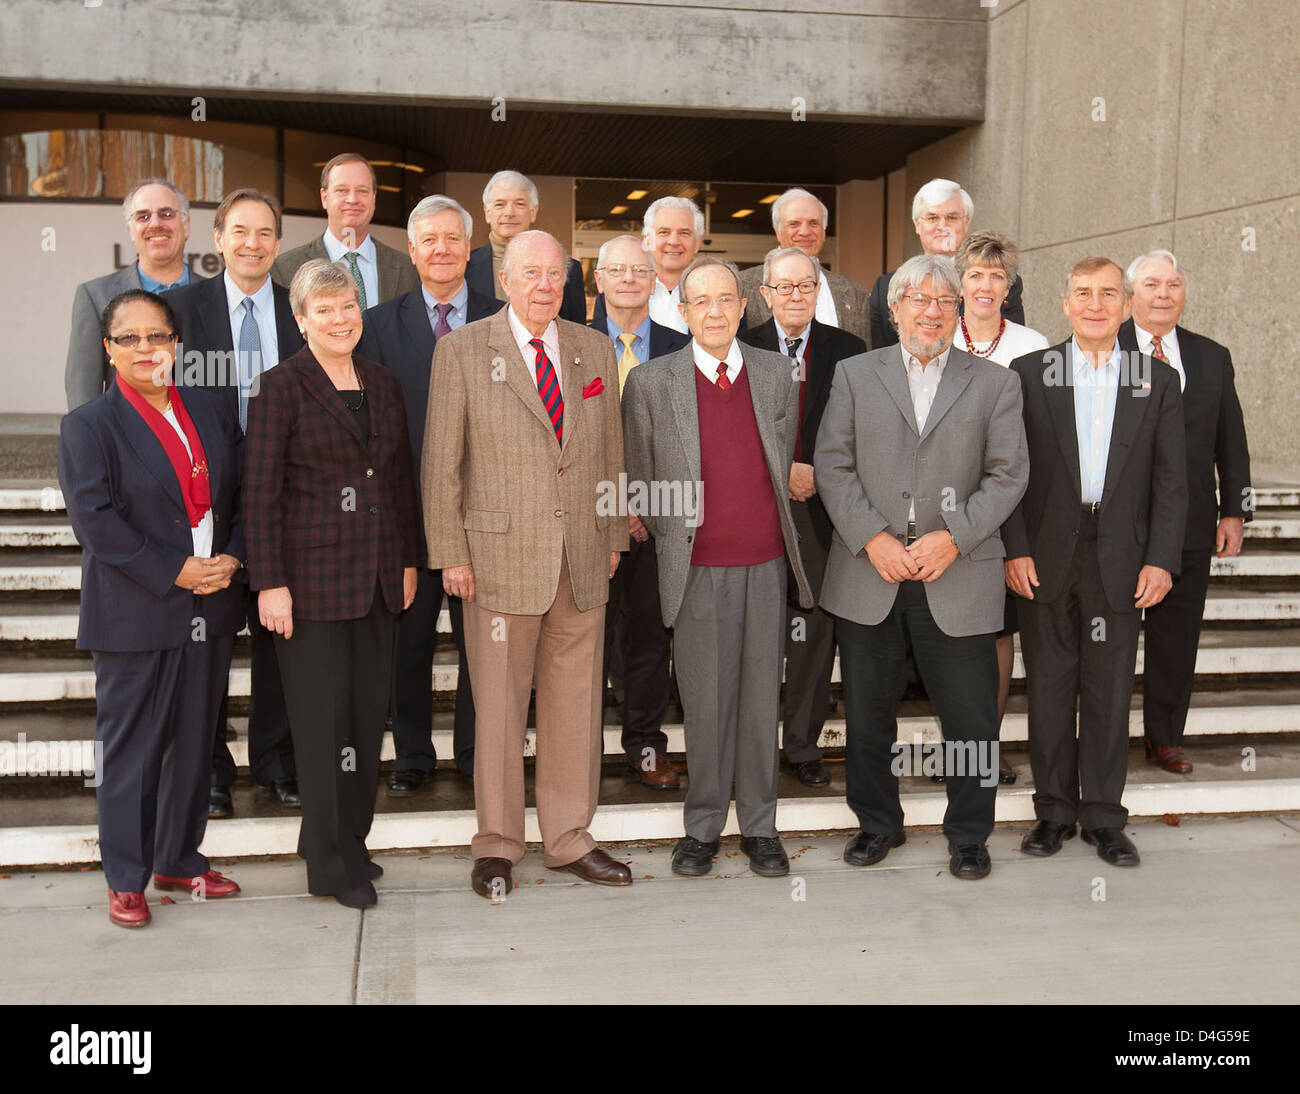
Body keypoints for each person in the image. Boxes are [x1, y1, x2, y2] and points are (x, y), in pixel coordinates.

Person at [424, 230, 631, 899]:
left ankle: (570, 837)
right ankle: (498, 844)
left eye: (556, 274)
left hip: (582, 559)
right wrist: (450, 553)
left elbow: (608, 452)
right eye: (531, 273)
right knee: (501, 711)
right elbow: (441, 465)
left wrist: (614, 536)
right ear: (505, 279)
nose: (545, 285)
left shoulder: (592, 348)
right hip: (496, 559)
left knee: (575, 707)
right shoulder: (460, 351)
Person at [816, 254, 1028, 880]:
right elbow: (832, 464)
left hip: (955, 573)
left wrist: (953, 539)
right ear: (895, 308)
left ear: (959, 309)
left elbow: (1008, 474)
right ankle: (878, 825)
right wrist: (872, 538)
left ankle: (969, 834)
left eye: (944, 301)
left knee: (970, 719)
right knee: (867, 714)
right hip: (869, 571)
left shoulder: (996, 383)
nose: (931, 311)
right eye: (919, 300)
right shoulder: (855, 374)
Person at [623, 256, 813, 880]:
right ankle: (702, 826)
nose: (713, 311)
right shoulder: (652, 382)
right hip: (696, 566)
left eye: (725, 300)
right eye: (700, 301)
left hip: (765, 562)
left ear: (743, 307)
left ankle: (760, 827)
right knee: (705, 701)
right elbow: (640, 479)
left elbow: (784, 464)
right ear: (682, 310)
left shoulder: (777, 372)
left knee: (761, 700)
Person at [58, 289, 245, 927]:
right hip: (136, 612)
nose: (146, 349)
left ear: (176, 344)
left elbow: (245, 493)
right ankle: (127, 875)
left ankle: (178, 858)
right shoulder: (88, 426)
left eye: (157, 336)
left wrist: (231, 560)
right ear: (108, 350)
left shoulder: (213, 412)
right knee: (132, 751)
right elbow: (97, 524)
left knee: (194, 743)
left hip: (210, 606)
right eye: (130, 339)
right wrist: (176, 569)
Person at [245, 259, 420, 909]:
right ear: (301, 322)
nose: (340, 319)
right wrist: (269, 583)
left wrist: (406, 560)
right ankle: (327, 864)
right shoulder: (278, 389)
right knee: (321, 728)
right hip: (310, 585)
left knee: (364, 721)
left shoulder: (383, 382)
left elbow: (397, 481)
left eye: (347, 306)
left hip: (377, 578)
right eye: (324, 310)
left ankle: (350, 837)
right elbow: (259, 494)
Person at [1005, 257, 1186, 868]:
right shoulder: (1029, 373)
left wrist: (1161, 558)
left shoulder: (1156, 380)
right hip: (1048, 552)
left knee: (1109, 690)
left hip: (1122, 556)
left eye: (1109, 293)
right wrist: (1016, 547)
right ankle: (1054, 812)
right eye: (1083, 293)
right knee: (1051, 687)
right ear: (1065, 302)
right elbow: (1008, 473)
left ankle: (1106, 818)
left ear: (1128, 303)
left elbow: (1172, 483)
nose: (1096, 304)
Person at [356, 195, 503, 792]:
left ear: (469, 249)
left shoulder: (505, 316)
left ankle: (475, 753)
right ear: (411, 251)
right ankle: (413, 755)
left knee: (482, 647)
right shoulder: (376, 324)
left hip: (491, 515)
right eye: (428, 240)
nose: (441, 249)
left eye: (452, 239)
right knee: (408, 645)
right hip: (407, 514)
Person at [167, 187, 302, 816]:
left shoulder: (299, 309)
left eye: (265, 233)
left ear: (279, 243)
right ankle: (212, 770)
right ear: (217, 240)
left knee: (280, 640)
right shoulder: (177, 311)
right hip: (206, 502)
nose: (253, 244)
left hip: (287, 497)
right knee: (210, 641)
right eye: (239, 232)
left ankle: (276, 763)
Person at [1119, 250, 1252, 774]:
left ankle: (1165, 737)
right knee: (1110, 635)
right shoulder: (1105, 350)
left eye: (1173, 284)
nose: (1164, 293)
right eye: (1152, 284)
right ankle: (1101, 735)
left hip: (1192, 523)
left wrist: (1234, 509)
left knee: (1177, 636)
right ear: (1132, 295)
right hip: (1119, 522)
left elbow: (1231, 439)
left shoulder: (1211, 356)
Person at [739, 246, 866, 788]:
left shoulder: (850, 350)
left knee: (813, 634)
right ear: (764, 294)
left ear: (819, 291)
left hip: (821, 512)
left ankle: (803, 744)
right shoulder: (740, 347)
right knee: (757, 633)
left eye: (805, 286)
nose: (795, 296)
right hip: (755, 510)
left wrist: (816, 469)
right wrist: (778, 469)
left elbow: (862, 429)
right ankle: (750, 745)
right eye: (784, 287)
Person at [591, 234, 690, 790]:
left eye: (639, 269)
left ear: (654, 281)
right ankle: (577, 748)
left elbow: (687, 442)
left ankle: (646, 746)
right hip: (586, 522)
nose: (629, 278)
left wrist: (644, 507)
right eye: (616, 269)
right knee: (587, 641)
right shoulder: (571, 344)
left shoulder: (682, 347)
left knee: (651, 638)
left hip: (660, 521)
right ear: (598, 279)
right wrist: (611, 507)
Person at [953, 230, 1050, 785]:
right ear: (959, 283)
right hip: (943, 506)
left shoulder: (1033, 345)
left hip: (1010, 507)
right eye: (975, 275)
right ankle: (956, 744)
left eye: (996, 276)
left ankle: (985, 744)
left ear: (1008, 287)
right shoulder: (941, 335)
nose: (986, 285)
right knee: (949, 633)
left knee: (996, 631)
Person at [66, 179, 204, 410]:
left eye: (166, 213)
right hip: (124, 442)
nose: (155, 224)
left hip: (199, 441)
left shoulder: (217, 295)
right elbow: (82, 390)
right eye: (143, 216)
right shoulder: (94, 296)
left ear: (186, 225)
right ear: (131, 230)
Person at [868, 179, 1026, 349]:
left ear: (966, 222)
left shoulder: (1000, 283)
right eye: (932, 217)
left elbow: (1011, 346)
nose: (942, 226)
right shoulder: (884, 287)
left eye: (952, 217)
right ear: (917, 225)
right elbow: (882, 359)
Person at [272, 153, 419, 308]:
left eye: (362, 190)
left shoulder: (409, 270)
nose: (352, 199)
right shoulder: (285, 269)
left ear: (373, 198)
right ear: (324, 197)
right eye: (342, 190)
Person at [739, 188, 872, 344]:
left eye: (813, 223)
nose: (804, 231)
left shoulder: (855, 294)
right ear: (778, 231)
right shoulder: (743, 285)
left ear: (824, 230)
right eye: (794, 224)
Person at [465, 170, 586, 323]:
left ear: (533, 212)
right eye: (500, 204)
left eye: (519, 204)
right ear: (487, 212)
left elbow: (576, 334)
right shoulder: (464, 268)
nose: (509, 213)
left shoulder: (569, 268)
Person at [592, 196, 704, 334]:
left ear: (697, 243)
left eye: (684, 233)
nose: (674, 241)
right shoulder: (619, 291)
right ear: (647, 240)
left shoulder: (710, 291)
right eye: (664, 232)